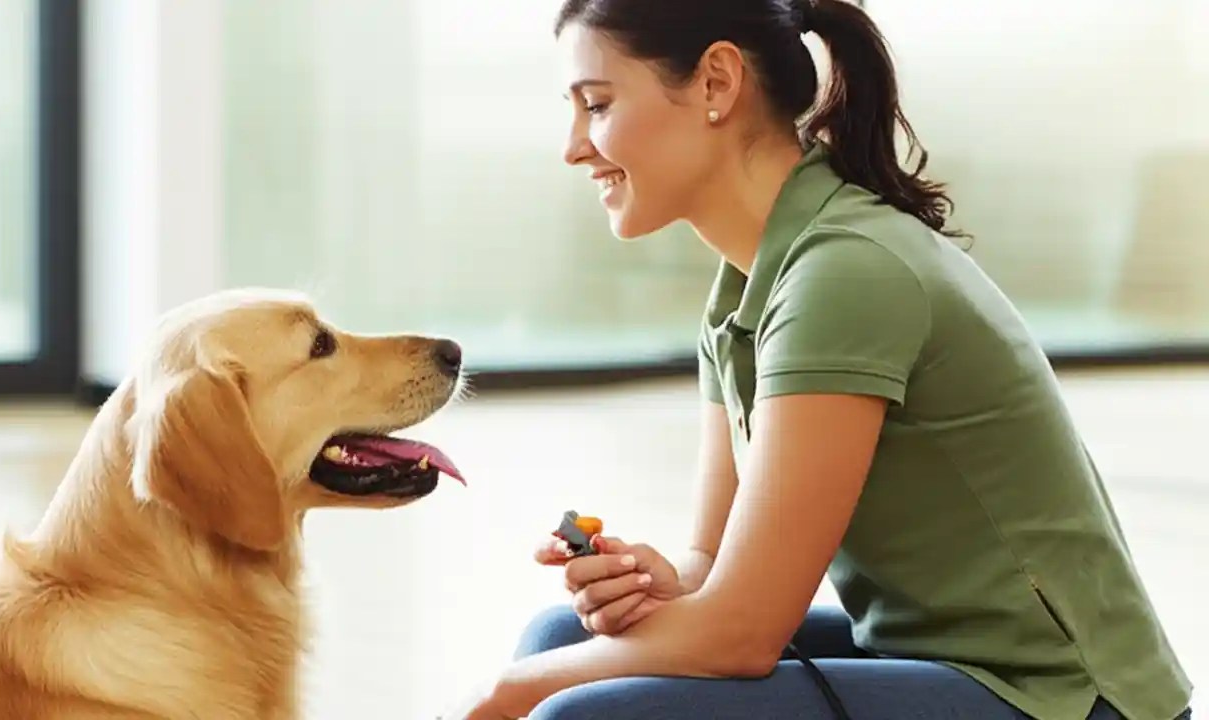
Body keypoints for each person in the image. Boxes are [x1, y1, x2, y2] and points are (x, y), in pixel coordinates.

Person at [449, 0, 1193, 718]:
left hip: (1062, 699)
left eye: (598, 104)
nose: (574, 144)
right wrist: (659, 582)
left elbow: (740, 634)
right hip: (939, 658)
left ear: (717, 82)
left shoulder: (844, 274)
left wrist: (510, 689)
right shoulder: (747, 284)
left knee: (572, 707)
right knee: (562, 641)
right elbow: (712, 572)